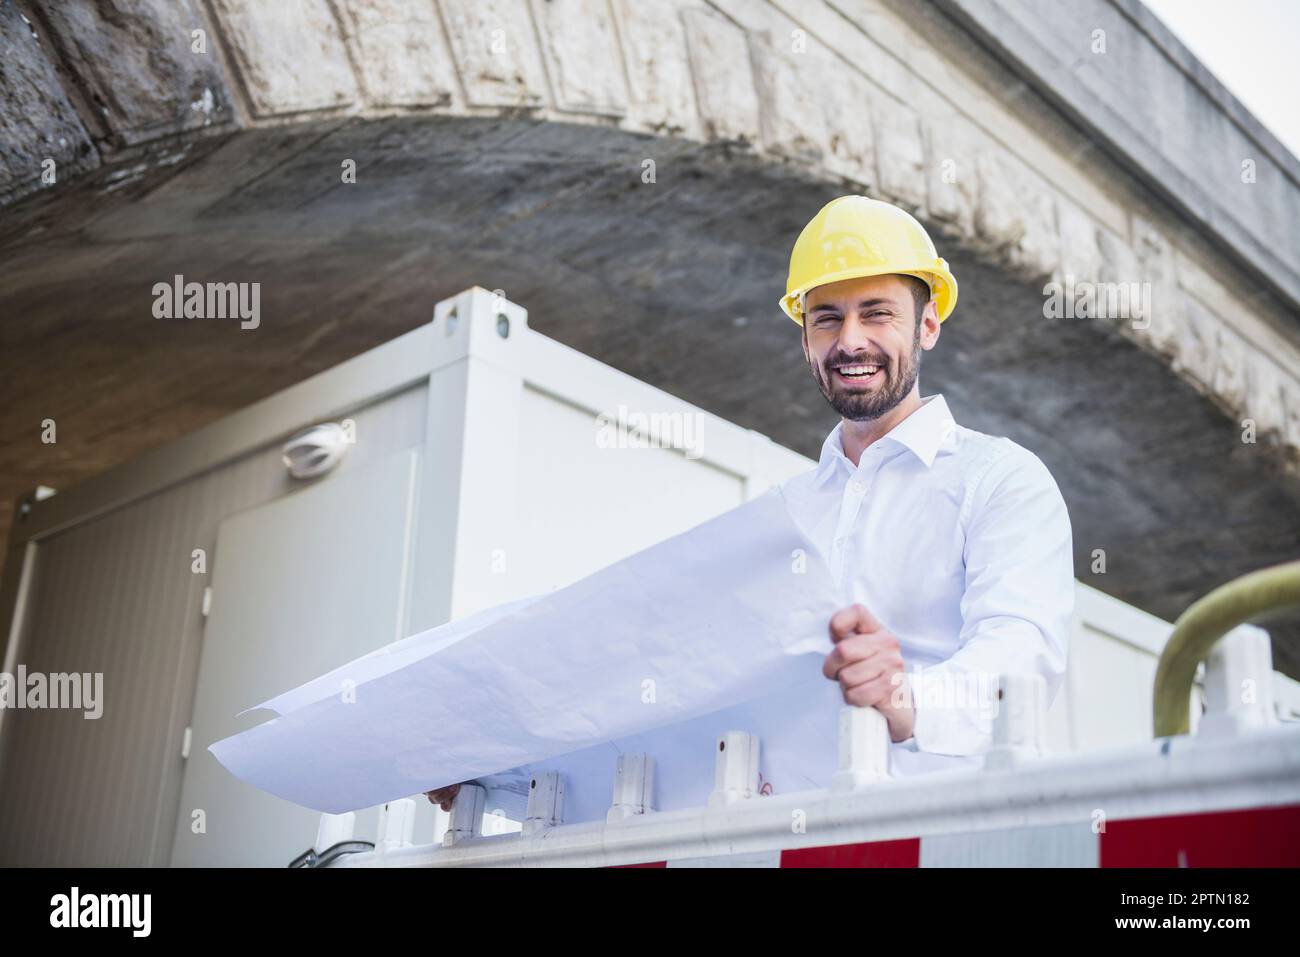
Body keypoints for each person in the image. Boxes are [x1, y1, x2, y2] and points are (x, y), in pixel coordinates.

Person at [428, 195, 1074, 809]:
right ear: (804, 340)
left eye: (877, 313)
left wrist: (907, 696)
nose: (850, 340)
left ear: (927, 325)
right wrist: (501, 778)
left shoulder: (999, 479)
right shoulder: (783, 515)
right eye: (827, 318)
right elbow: (683, 695)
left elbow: (1022, 653)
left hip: (929, 839)